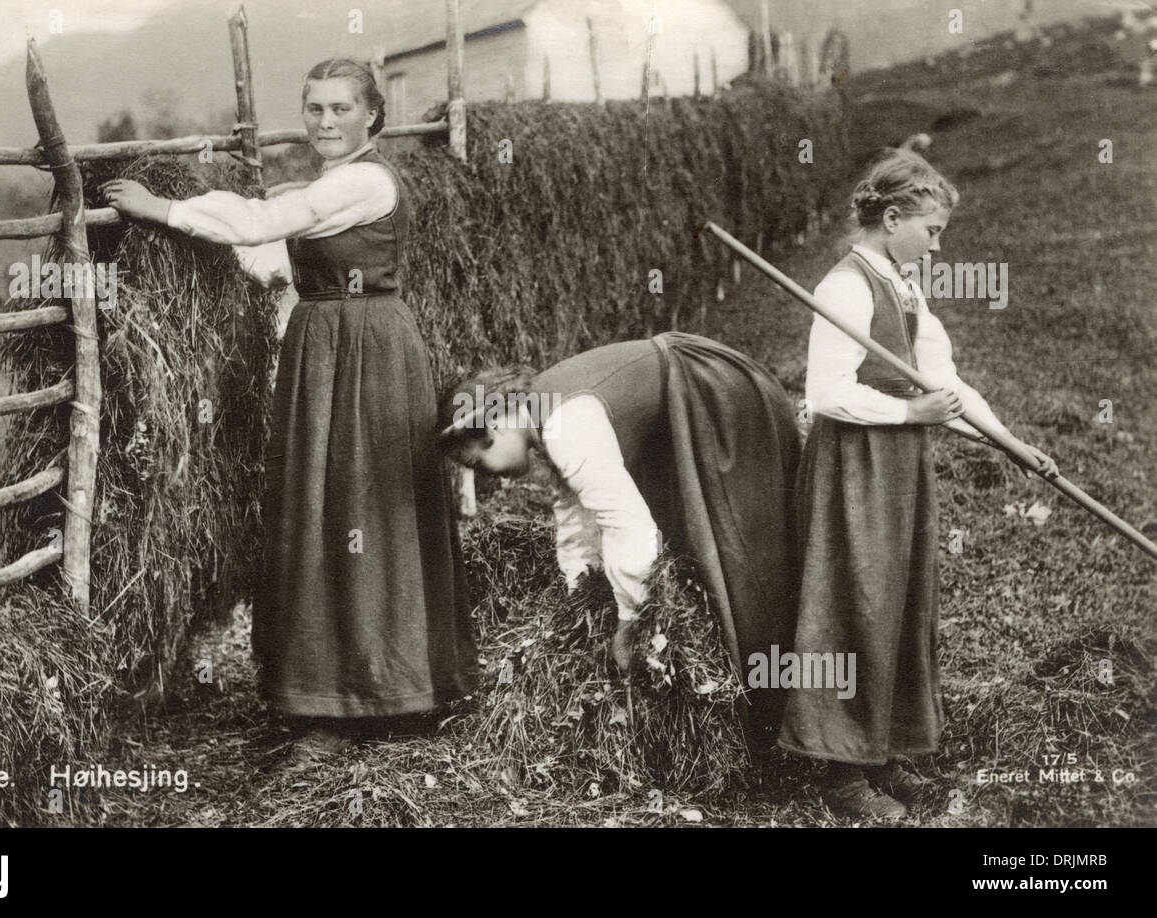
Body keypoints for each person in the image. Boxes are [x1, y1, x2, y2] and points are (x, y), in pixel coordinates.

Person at [102, 59, 478, 763]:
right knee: (323, 507)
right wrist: (210, 235)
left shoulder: (365, 181)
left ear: (373, 116)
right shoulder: (333, 186)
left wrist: (162, 209)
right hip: (325, 347)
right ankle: (330, 693)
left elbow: (269, 218)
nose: (326, 123)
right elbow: (271, 247)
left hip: (368, 351)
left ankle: (381, 694)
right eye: (314, 110)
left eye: (341, 109)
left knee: (366, 509)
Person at [777, 148, 1057, 819]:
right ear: (893, 216)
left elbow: (945, 384)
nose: (937, 246)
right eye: (931, 232)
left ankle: (884, 747)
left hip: (900, 468)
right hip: (855, 466)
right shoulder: (845, 287)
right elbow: (826, 393)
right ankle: (840, 774)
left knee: (900, 602)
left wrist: (1009, 443)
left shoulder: (905, 287)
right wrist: (910, 412)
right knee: (853, 604)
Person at [437, 332, 802, 734]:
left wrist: (631, 621)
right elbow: (576, 517)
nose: (492, 477)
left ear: (494, 425)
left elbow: (624, 522)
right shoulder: (542, 417)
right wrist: (579, 601)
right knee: (683, 542)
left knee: (740, 550)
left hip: (719, 396)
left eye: (482, 463)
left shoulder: (565, 425)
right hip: (683, 409)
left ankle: (776, 711)